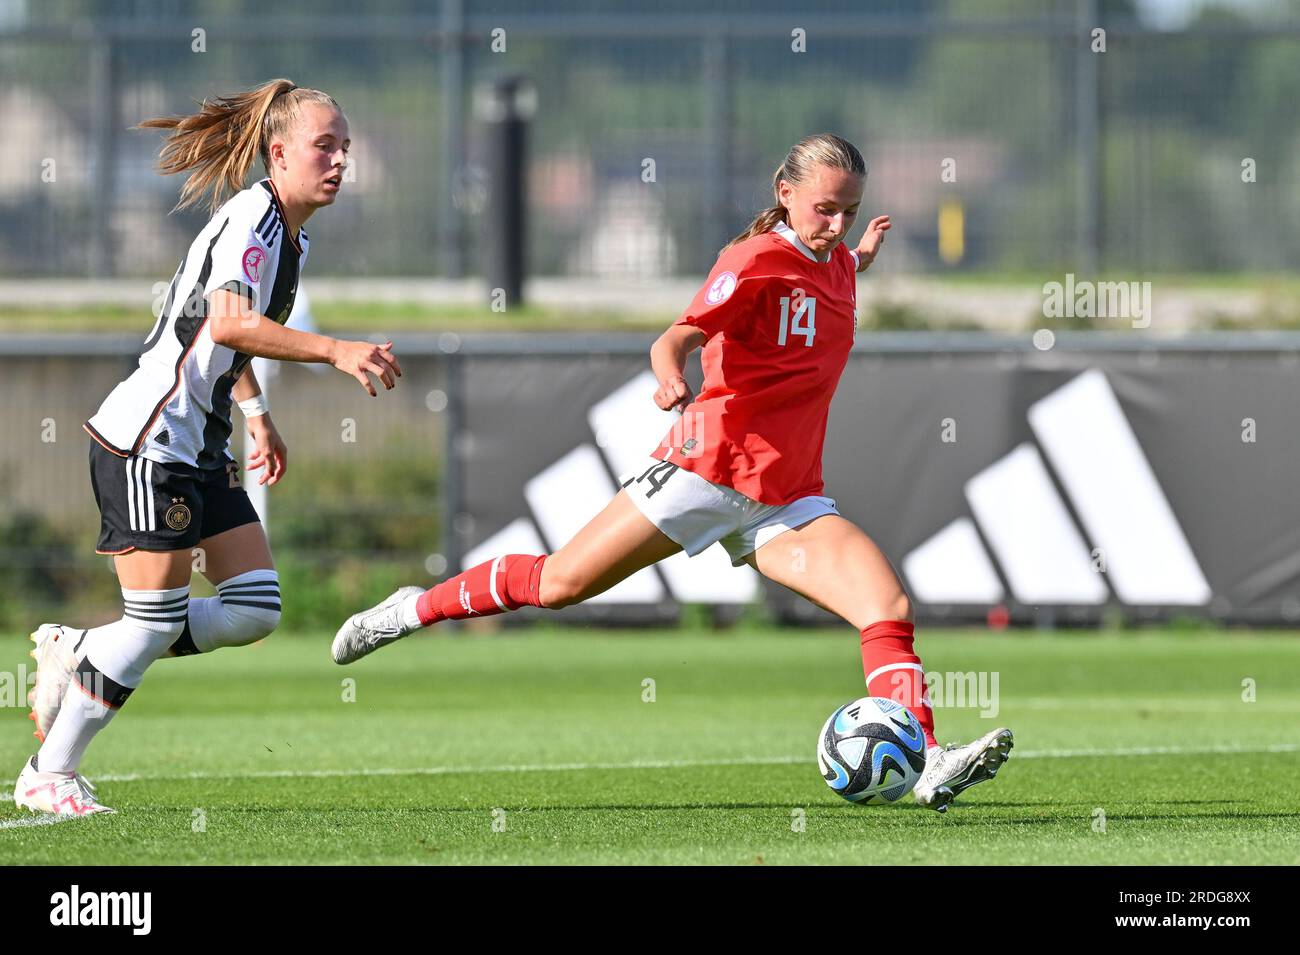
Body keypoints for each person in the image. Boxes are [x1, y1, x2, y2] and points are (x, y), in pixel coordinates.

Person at [333, 133, 1012, 812]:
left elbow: (825, 280)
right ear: (785, 194)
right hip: (707, 468)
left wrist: (857, 258)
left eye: (850, 212)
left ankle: (925, 759)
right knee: (561, 582)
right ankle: (412, 608)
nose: (837, 226)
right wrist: (668, 378)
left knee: (886, 607)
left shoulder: (837, 262)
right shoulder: (751, 261)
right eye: (825, 209)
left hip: (788, 496)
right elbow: (676, 337)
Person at [15, 79, 402, 816]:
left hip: (199, 445)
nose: (341, 160)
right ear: (279, 153)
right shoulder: (255, 217)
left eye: (345, 147)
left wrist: (255, 413)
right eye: (326, 146)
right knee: (154, 622)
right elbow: (226, 323)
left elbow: (220, 330)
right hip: (150, 439)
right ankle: (48, 774)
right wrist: (335, 349)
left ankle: (83, 649)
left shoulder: (290, 234)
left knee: (254, 607)